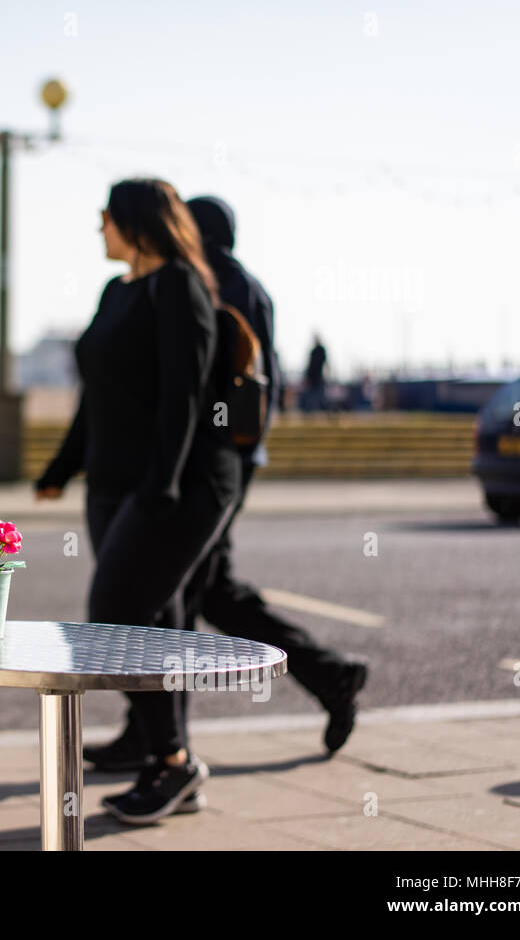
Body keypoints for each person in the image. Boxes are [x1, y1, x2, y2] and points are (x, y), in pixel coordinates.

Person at [83, 196, 369, 785]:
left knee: (180, 598)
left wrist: (214, 472)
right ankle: (159, 735)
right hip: (213, 466)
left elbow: (228, 386)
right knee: (194, 595)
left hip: (213, 470)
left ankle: (167, 745)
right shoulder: (219, 281)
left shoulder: (214, 284)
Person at [34, 179, 241, 824]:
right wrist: (62, 467)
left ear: (136, 223)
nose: (99, 227)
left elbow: (184, 395)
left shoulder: (178, 286)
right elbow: (97, 397)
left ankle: (174, 760)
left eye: (106, 218)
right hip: (113, 484)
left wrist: (162, 487)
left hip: (177, 487)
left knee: (116, 612)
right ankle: (169, 763)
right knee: (157, 624)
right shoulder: (116, 291)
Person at [303, 335, 328, 412]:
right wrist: (307, 377)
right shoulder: (313, 351)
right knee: (311, 395)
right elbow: (310, 365)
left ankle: (327, 411)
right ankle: (309, 411)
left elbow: (325, 363)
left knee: (321, 396)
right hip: (312, 377)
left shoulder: (321, 350)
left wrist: (326, 374)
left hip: (319, 377)